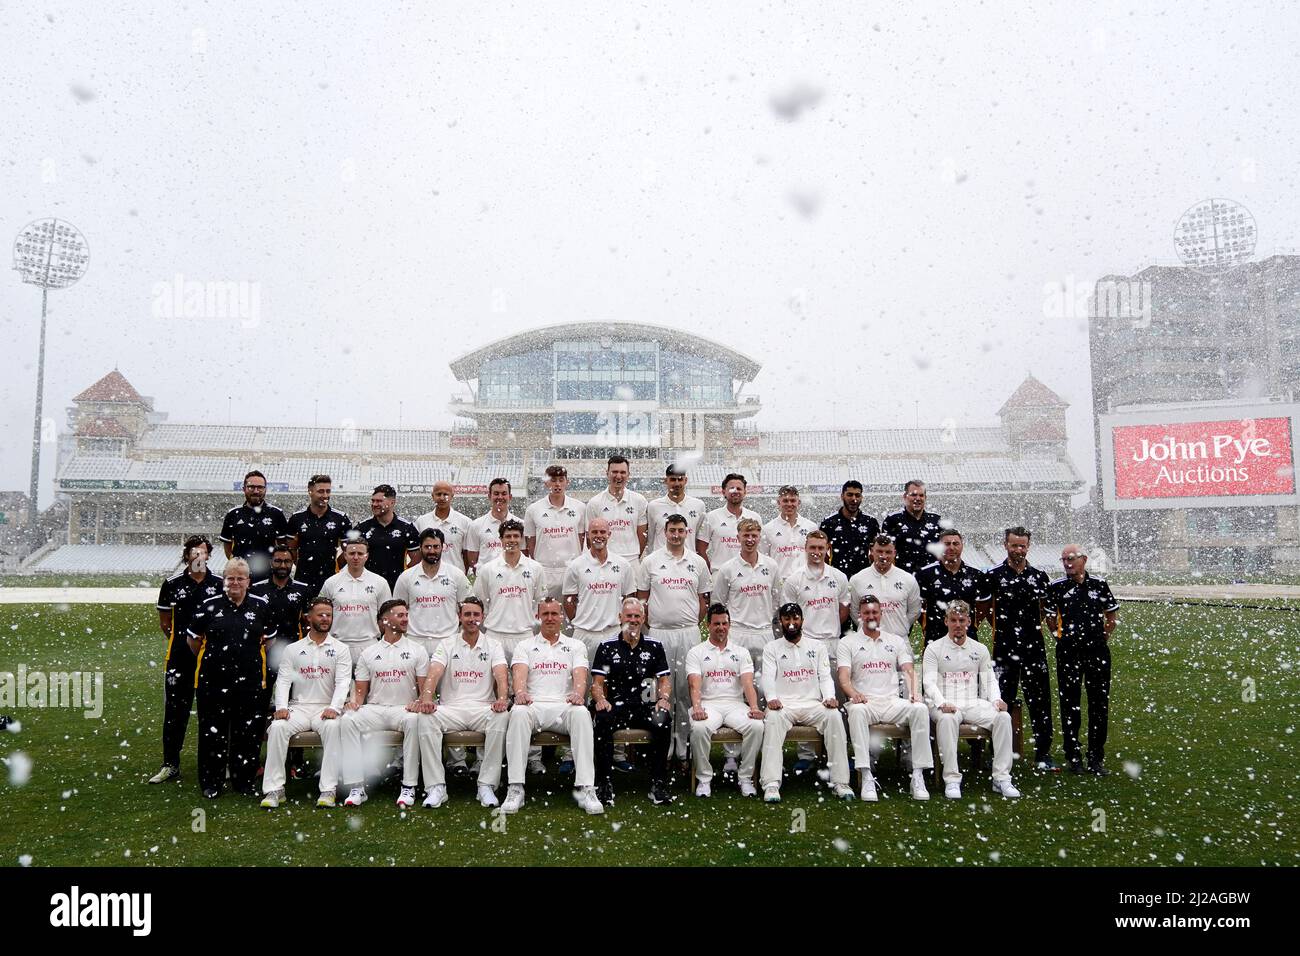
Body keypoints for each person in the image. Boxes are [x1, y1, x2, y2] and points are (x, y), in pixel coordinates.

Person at [501, 598, 605, 815]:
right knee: (518, 713)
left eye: (554, 614)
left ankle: (586, 787)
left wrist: (578, 694)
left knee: (582, 713)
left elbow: (580, 677)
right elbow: (519, 676)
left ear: (562, 617)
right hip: (534, 705)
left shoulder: (575, 645)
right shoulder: (525, 646)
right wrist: (520, 693)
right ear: (538, 617)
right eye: (545, 614)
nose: (550, 618)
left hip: (563, 706)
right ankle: (516, 787)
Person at [186, 559, 279, 799]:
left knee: (246, 734)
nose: (235, 583)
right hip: (212, 683)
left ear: (248, 581)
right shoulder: (208, 605)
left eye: (240, 578)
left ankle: (244, 781)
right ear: (223, 581)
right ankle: (211, 783)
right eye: (230, 578)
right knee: (211, 733)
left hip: (250, 683)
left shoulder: (261, 605)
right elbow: (193, 641)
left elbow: (270, 641)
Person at [339, 600, 438, 810]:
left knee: (414, 720)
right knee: (348, 720)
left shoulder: (417, 650)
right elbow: (360, 694)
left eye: (406, 615)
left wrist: (420, 702)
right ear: (385, 621)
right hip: (375, 708)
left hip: (403, 709)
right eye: (400, 615)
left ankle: (408, 786)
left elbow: (424, 690)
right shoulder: (368, 653)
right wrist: (353, 704)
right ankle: (356, 787)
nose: (405, 619)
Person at [416, 597, 510, 808]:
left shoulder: (493, 645)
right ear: (460, 617)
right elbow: (434, 673)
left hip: (482, 708)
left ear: (482, 617)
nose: (472, 619)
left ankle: (486, 785)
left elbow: (501, 675)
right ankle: (436, 787)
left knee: (502, 715)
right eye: (467, 614)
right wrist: (427, 698)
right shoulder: (447, 644)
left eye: (476, 614)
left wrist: (502, 699)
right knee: (425, 718)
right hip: (452, 710)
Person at [921, 601, 1021, 800]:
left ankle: (1001, 778)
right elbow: (929, 683)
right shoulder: (934, 648)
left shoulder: (980, 648)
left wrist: (996, 700)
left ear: (969, 622)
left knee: (1003, 717)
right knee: (948, 719)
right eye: (953, 620)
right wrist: (942, 703)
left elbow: (989, 679)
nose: (957, 625)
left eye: (962, 620)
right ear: (946, 621)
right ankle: (951, 779)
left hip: (971, 701)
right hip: (944, 703)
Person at [838, 595, 931, 802]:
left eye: (875, 612)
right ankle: (866, 775)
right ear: (859, 616)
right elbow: (844, 678)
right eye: (867, 613)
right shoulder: (847, 642)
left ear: (881, 614)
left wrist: (915, 693)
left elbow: (908, 669)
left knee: (920, 709)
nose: (871, 616)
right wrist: (854, 694)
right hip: (865, 702)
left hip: (890, 702)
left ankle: (918, 775)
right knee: (857, 711)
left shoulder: (896, 641)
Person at [260, 597, 352, 808]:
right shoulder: (293, 649)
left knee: (332, 726)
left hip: (325, 708)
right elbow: (283, 680)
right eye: (320, 614)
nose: (325, 618)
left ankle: (328, 790)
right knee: (277, 727)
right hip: (299, 707)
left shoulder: (340, 649)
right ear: (308, 618)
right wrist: (282, 707)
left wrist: (334, 708)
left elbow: (343, 682)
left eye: (328, 615)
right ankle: (274, 790)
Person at [637, 513, 711, 768]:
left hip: (688, 632)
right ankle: (662, 748)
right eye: (672, 531)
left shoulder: (698, 563)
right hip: (659, 633)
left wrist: (689, 622)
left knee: (687, 691)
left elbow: (704, 602)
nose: (676, 535)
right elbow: (642, 599)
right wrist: (655, 624)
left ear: (687, 532)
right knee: (659, 692)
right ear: (665, 532)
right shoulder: (651, 561)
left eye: (681, 530)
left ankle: (683, 750)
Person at [758, 604, 853, 803]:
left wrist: (828, 697)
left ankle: (840, 782)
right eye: (787, 619)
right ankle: (771, 783)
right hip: (784, 706)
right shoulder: (771, 648)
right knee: (773, 718)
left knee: (835, 715)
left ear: (802, 620)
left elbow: (825, 676)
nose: (791, 624)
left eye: (795, 619)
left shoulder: (817, 647)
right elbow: (767, 677)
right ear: (780, 622)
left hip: (812, 704)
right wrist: (772, 698)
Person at [149, 535, 223, 785]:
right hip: (180, 659)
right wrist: (185, 642)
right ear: (187, 555)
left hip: (211, 659)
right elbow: (165, 623)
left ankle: (214, 764)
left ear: (209, 555)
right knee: (175, 713)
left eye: (203, 552)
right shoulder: (171, 584)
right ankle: (170, 764)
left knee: (211, 713)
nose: (198, 556)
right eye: (194, 552)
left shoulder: (220, 583)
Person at [778, 528, 852, 772]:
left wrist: (828, 629)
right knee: (806, 697)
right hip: (805, 643)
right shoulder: (794, 579)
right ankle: (807, 754)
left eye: (821, 548)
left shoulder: (839, 577)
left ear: (827, 549)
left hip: (832, 643)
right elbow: (788, 615)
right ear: (805, 549)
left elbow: (843, 611)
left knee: (835, 700)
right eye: (812, 548)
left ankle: (836, 754)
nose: (817, 552)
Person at [590, 598, 673, 806]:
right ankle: (604, 783)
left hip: (645, 706)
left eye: (637, 616)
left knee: (663, 719)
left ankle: (658, 783)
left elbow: (664, 680)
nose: (633, 620)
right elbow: (597, 683)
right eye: (629, 616)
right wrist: (600, 699)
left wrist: (663, 699)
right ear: (620, 618)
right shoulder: (607, 646)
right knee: (601, 719)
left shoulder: (654, 646)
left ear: (643, 619)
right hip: (615, 706)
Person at [985, 526, 1056, 770]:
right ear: (1005, 545)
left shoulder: (1039, 576)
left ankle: (1044, 753)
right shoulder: (993, 575)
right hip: (1004, 650)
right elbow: (984, 611)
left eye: (1022, 546)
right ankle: (996, 751)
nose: (1018, 550)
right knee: (1000, 701)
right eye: (1014, 545)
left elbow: (1049, 613)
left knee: (1040, 702)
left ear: (1028, 546)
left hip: (1034, 650)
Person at [1045, 544, 1119, 775]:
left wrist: (1101, 637)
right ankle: (1073, 755)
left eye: (1072, 559)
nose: (1067, 563)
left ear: (1084, 560)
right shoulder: (1057, 587)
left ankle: (1096, 758)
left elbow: (1111, 616)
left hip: (1097, 652)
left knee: (1099, 704)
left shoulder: (1099, 584)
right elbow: (1049, 618)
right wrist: (1063, 638)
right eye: (1064, 559)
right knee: (1070, 704)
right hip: (1069, 652)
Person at [686, 604, 762, 798]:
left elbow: (747, 684)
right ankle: (704, 779)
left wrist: (753, 707)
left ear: (730, 624)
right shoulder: (697, 652)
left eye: (724, 623)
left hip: (735, 704)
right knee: (700, 727)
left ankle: (745, 778)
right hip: (708, 704)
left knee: (756, 726)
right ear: (708, 625)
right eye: (716, 623)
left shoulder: (741, 652)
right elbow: (694, 685)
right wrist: (697, 707)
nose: (721, 627)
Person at [709, 518, 780, 680]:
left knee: (765, 685)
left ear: (759, 537)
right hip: (738, 634)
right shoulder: (727, 568)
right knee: (737, 686)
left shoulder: (771, 566)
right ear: (737, 538)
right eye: (746, 535)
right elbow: (718, 603)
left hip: (765, 633)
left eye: (754, 535)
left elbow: (776, 600)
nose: (750, 540)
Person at [251, 545, 314, 716]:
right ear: (271, 562)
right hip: (264, 653)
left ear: (293, 563)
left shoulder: (303, 589)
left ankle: (295, 740)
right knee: (261, 700)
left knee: (294, 702)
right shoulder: (256, 589)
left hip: (293, 653)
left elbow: (308, 622)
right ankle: (259, 736)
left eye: (287, 561)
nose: (282, 565)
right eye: (278, 561)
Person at [563, 518, 638, 659]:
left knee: (615, 680)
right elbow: (568, 600)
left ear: (609, 534)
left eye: (603, 532)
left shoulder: (623, 565)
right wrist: (581, 622)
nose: (599, 535)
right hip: (584, 634)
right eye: (594, 532)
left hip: (614, 633)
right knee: (582, 678)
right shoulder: (576, 565)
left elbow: (630, 600)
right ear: (588, 535)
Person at [472, 519, 544, 663]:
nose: (512, 540)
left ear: (522, 538)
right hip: (495, 634)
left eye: (516, 536)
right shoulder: (488, 569)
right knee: (495, 683)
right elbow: (481, 602)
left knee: (523, 682)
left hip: (524, 635)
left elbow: (539, 601)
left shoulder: (536, 568)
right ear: (501, 539)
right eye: (508, 536)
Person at [394, 529, 472, 658]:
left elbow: (468, 608)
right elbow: (397, 612)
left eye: (436, 546)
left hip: (448, 641)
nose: (432, 551)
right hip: (415, 641)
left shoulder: (457, 575)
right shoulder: (406, 577)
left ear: (443, 547)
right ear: (420, 547)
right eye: (427, 547)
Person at [318, 538, 392, 668]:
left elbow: (386, 617)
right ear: (345, 555)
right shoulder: (331, 583)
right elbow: (320, 613)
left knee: (368, 687)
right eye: (352, 554)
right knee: (339, 687)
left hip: (369, 645)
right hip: (337, 644)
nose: (356, 557)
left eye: (360, 553)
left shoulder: (380, 582)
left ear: (367, 556)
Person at [915, 529, 992, 646]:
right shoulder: (925, 574)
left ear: (962, 546)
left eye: (956, 543)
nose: (951, 547)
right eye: (947, 544)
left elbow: (983, 607)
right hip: (935, 638)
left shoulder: (976, 574)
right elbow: (919, 607)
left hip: (967, 638)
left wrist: (965, 624)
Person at [524, 464, 587, 600]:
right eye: (553, 480)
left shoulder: (580, 508)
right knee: (545, 615)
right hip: (544, 571)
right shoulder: (533, 509)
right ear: (546, 483)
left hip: (571, 570)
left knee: (572, 614)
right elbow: (530, 543)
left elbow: (581, 539)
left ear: (567, 482)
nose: (557, 484)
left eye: (561, 480)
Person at [286, 473, 352, 596]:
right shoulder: (297, 518)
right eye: (321, 491)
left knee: (327, 614)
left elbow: (348, 551)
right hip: (302, 579)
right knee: (304, 614)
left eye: (328, 491)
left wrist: (337, 567)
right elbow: (291, 549)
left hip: (330, 579)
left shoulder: (341, 518)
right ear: (310, 491)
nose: (325, 495)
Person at [220, 470, 289, 582]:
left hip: (268, 577)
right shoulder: (232, 514)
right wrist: (240, 565)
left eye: (260, 487)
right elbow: (227, 547)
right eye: (251, 487)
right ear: (244, 489)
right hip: (241, 577)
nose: (256, 491)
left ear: (265, 489)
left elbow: (282, 546)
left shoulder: (276, 514)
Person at [848, 534, 922, 638]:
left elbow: (915, 611)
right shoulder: (857, 579)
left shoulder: (907, 579)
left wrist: (899, 627)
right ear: (872, 551)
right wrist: (869, 628)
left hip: (899, 641)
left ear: (894, 553)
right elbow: (854, 611)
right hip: (868, 641)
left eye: (888, 552)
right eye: (879, 551)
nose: (883, 556)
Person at [356, 484, 420, 590]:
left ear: (392, 502)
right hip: (368, 587)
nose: (374, 504)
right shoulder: (362, 528)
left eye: (379, 501)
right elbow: (351, 557)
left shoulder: (406, 528)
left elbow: (417, 559)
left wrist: (403, 578)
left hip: (396, 586)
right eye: (373, 501)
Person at [585, 455, 648, 560]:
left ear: (628, 475)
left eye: (623, 472)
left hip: (631, 559)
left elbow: (642, 535)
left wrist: (635, 556)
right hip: (605, 560)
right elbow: (590, 537)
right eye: (614, 472)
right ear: (607, 474)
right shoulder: (595, 503)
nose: (618, 476)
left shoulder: (639, 500)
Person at [697, 473, 761, 570]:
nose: (735, 491)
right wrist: (710, 571)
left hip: (748, 574)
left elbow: (760, 549)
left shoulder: (755, 517)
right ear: (723, 492)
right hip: (719, 573)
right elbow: (701, 549)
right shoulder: (712, 517)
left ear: (745, 492)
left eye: (739, 489)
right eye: (732, 488)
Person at [818, 480, 880, 581]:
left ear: (862, 497)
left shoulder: (870, 522)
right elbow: (821, 551)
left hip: (864, 578)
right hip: (836, 578)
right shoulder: (829, 523)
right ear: (842, 496)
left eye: (857, 495)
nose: (854, 499)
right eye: (850, 495)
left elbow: (877, 551)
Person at [881, 480, 945, 576]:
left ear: (925, 498)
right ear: (905, 496)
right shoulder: (893, 520)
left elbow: (944, 551)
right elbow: (886, 551)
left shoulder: (936, 520)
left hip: (931, 578)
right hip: (902, 577)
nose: (918, 498)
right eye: (914, 495)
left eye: (921, 495)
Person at [645, 463, 705, 554]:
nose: (677, 483)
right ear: (666, 480)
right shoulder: (654, 506)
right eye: (673, 479)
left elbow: (699, 538)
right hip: (661, 563)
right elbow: (650, 538)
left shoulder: (698, 506)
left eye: (680, 479)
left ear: (685, 480)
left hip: (687, 562)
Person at [762, 485, 819, 580]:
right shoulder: (768, 529)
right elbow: (764, 560)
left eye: (793, 501)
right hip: (779, 584)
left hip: (805, 582)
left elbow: (816, 557)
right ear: (778, 502)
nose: (789, 504)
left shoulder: (811, 527)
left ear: (799, 502)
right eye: (785, 501)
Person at [414, 480, 472, 574]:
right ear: (432, 496)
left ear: (452, 496)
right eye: (438, 494)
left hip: (455, 576)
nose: (442, 498)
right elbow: (418, 553)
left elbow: (466, 555)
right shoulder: (421, 522)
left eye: (445, 494)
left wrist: (460, 574)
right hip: (428, 576)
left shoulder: (465, 522)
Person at [464, 478, 520, 572]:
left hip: (512, 580)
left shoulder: (520, 524)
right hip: (487, 581)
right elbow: (472, 560)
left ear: (510, 497)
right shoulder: (476, 525)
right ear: (489, 496)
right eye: (496, 493)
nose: (500, 497)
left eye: (504, 493)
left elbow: (523, 554)